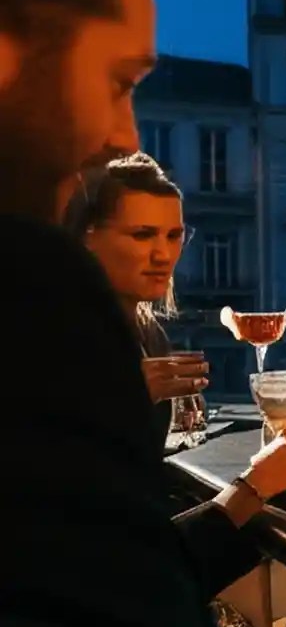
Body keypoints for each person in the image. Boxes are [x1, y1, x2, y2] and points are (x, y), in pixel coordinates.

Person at [0, 0, 286, 627]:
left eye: (174, 236)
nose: (126, 134)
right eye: (119, 83)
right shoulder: (44, 297)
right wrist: (253, 486)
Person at [66, 151, 209, 446]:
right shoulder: (58, 334)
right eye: (143, 235)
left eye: (174, 236)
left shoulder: (148, 332)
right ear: (89, 237)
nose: (163, 255)